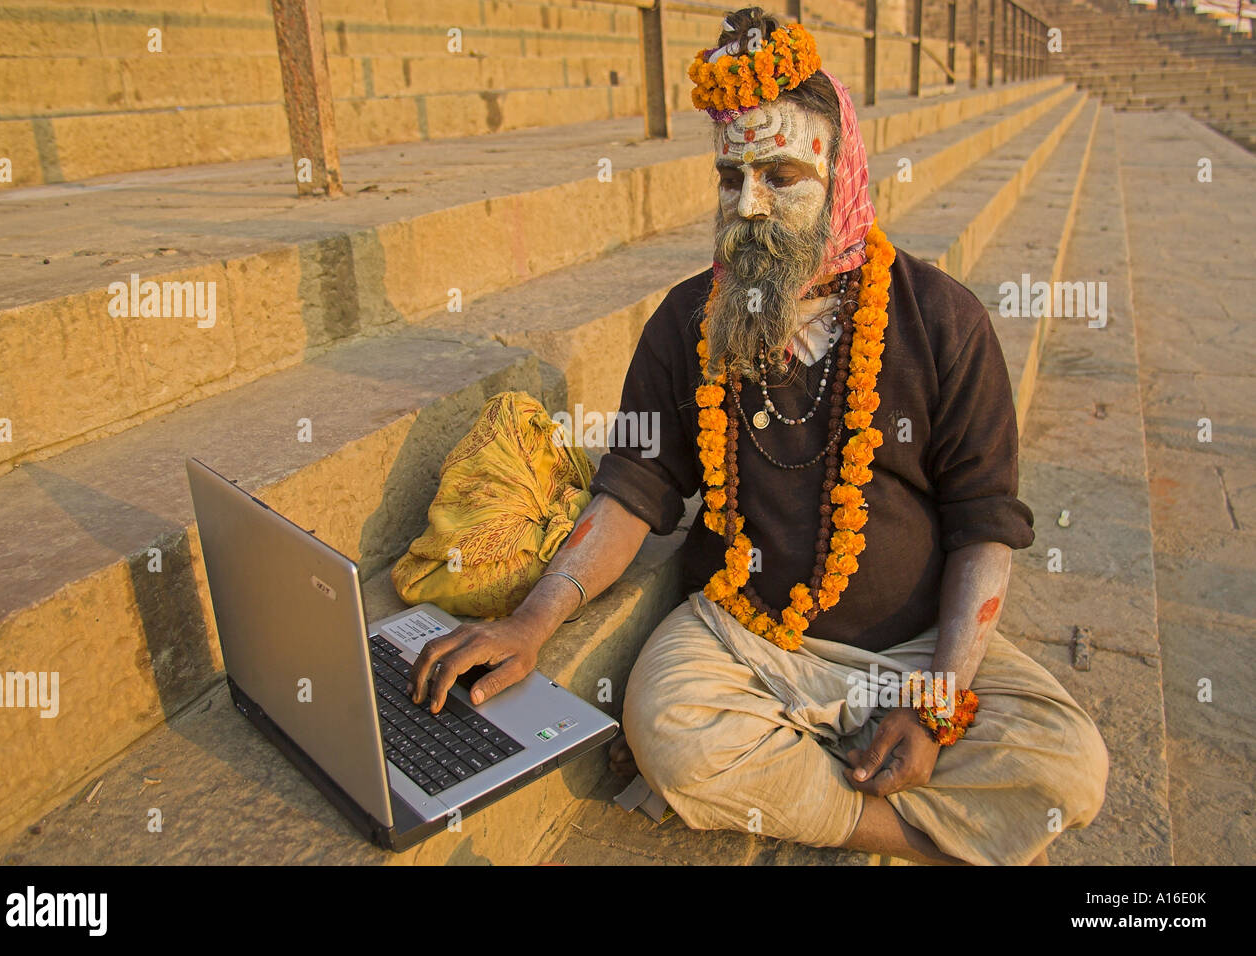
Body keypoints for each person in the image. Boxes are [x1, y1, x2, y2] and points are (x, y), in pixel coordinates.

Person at [406, 7, 1108, 866]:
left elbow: (985, 525)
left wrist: (935, 703)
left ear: (841, 174)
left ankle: (835, 780)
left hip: (913, 646)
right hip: (744, 638)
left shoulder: (943, 321)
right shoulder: (688, 321)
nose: (749, 205)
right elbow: (634, 490)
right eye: (730, 179)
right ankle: (922, 839)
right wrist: (533, 621)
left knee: (1072, 766)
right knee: (666, 726)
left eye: (780, 174)